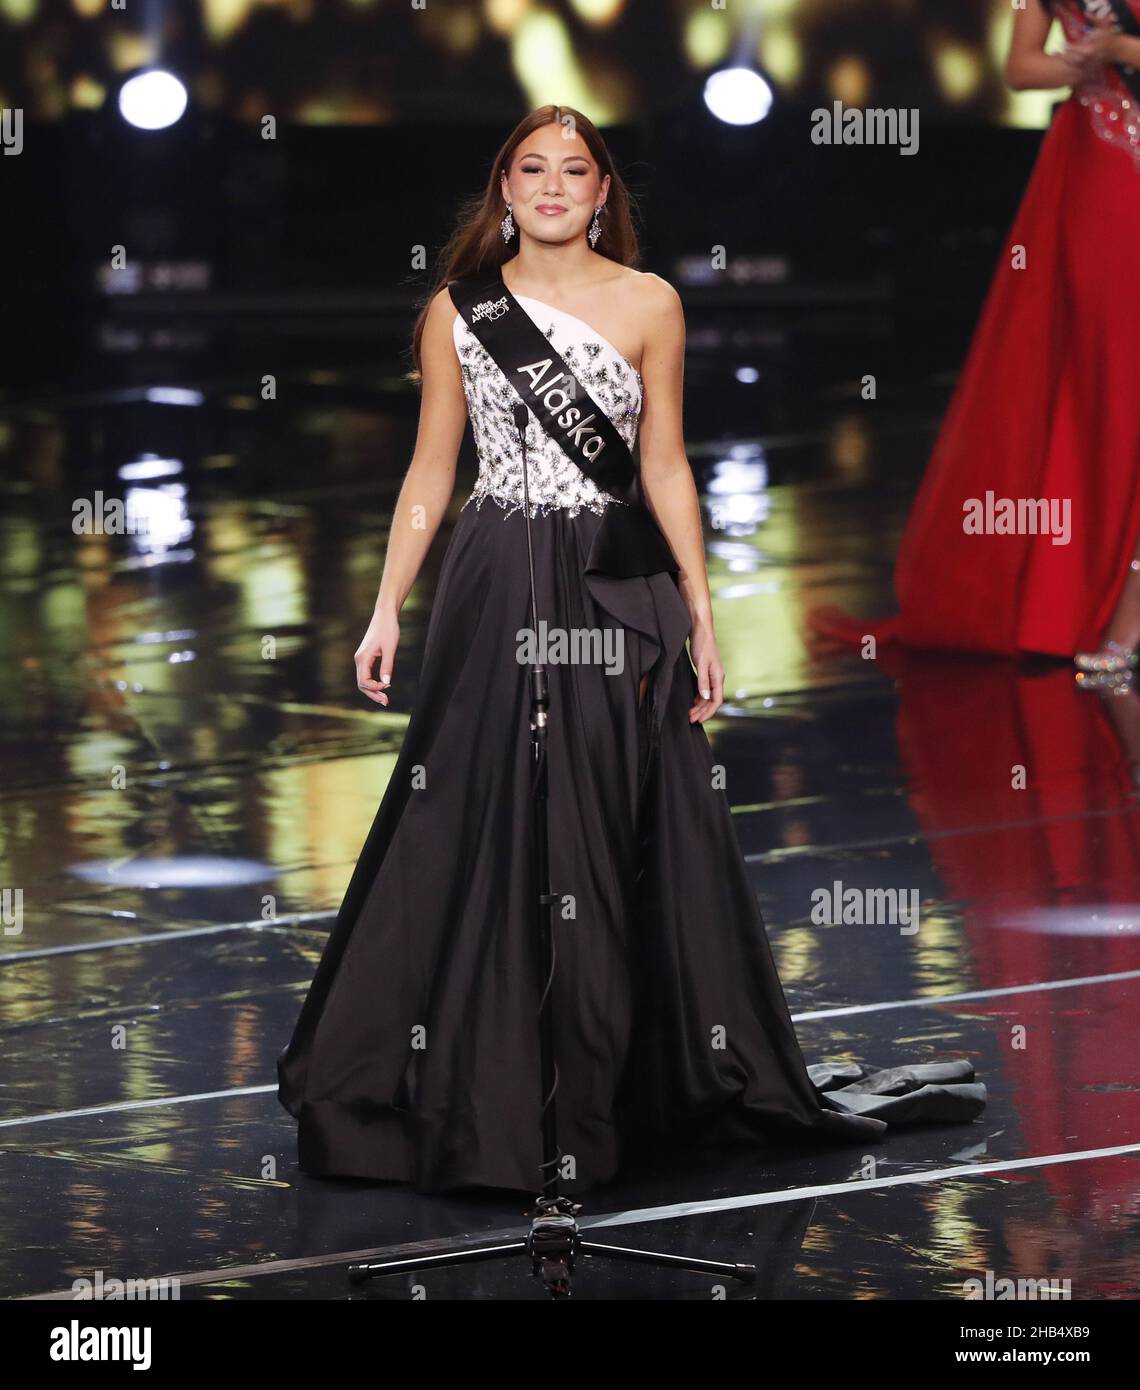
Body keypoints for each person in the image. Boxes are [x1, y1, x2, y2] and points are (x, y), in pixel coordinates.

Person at [276, 104, 985, 1195]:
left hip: (616, 582)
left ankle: (605, 1090)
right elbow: (430, 473)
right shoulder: (457, 312)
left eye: (575, 170)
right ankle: (481, 1089)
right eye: (531, 168)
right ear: (502, 189)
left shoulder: (651, 302)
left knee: (610, 821)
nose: (553, 186)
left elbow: (663, 466)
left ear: (604, 191)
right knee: (480, 816)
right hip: (498, 575)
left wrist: (701, 608)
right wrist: (385, 608)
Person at [813, 1, 1140, 675]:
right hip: (1103, 167)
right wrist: (1081, 59)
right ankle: (1096, 598)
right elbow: (1020, 69)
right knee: (1107, 379)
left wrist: (1119, 51)